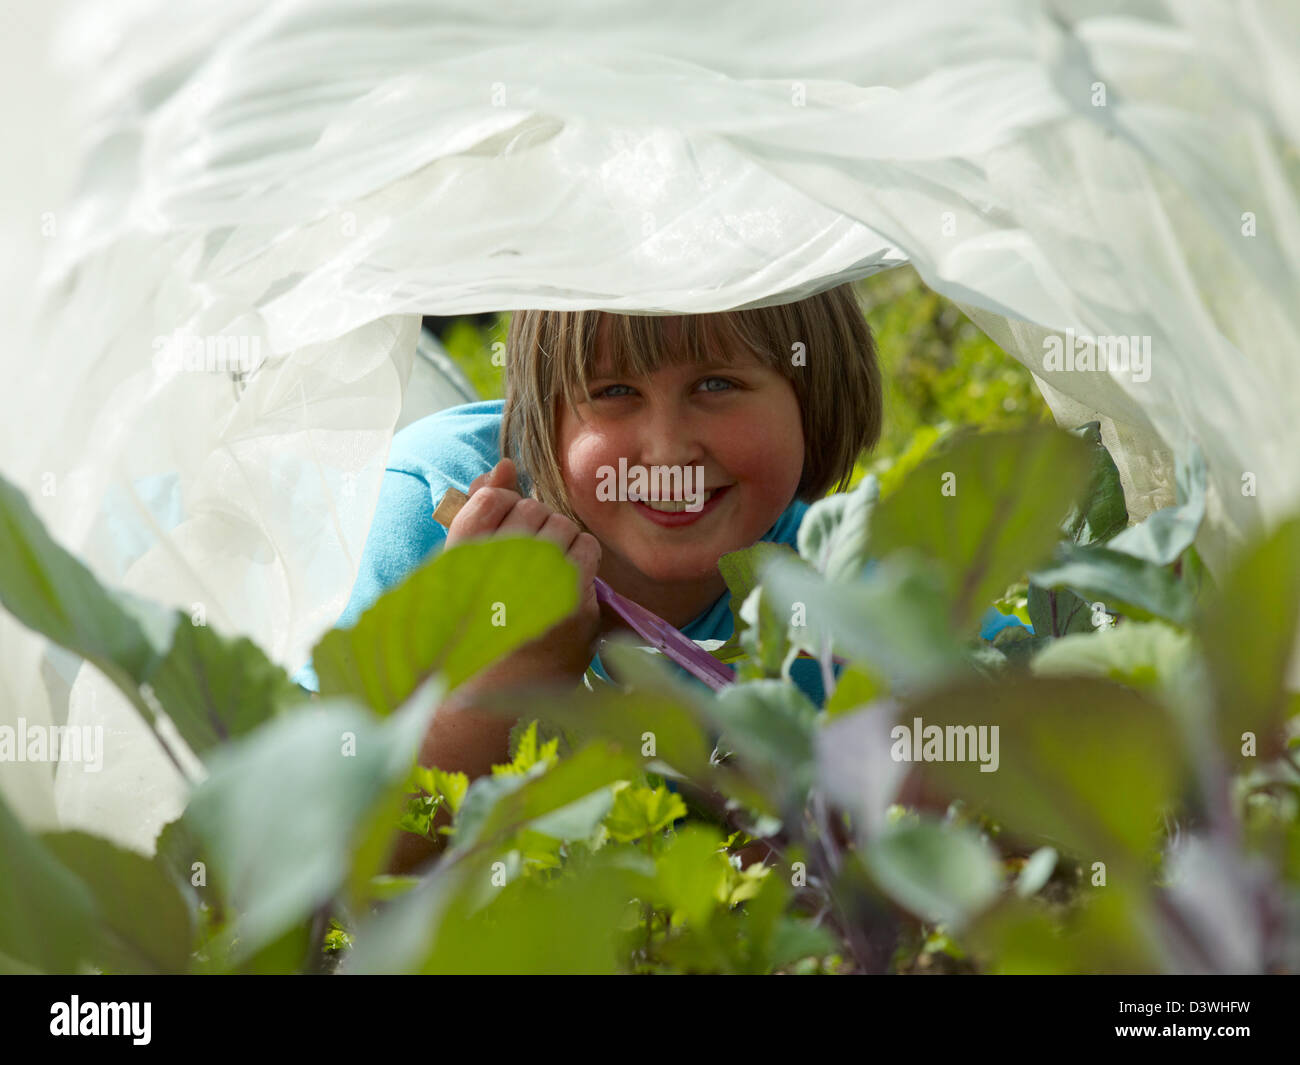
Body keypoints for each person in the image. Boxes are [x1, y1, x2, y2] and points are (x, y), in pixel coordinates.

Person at [292, 284, 1016, 869]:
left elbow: (1037, 713)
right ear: (542, 413)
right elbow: (330, 856)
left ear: (814, 397)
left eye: (716, 383)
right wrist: (502, 682)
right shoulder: (425, 514)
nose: (666, 449)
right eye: (612, 391)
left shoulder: (850, 574)